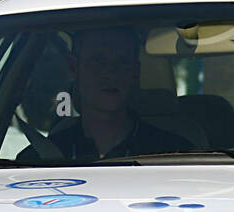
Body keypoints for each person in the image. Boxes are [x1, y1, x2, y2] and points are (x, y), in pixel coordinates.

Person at [17, 27, 191, 162]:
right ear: (73, 68)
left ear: (135, 71)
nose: (110, 73)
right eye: (97, 61)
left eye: (121, 62)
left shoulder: (175, 154)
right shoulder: (37, 161)